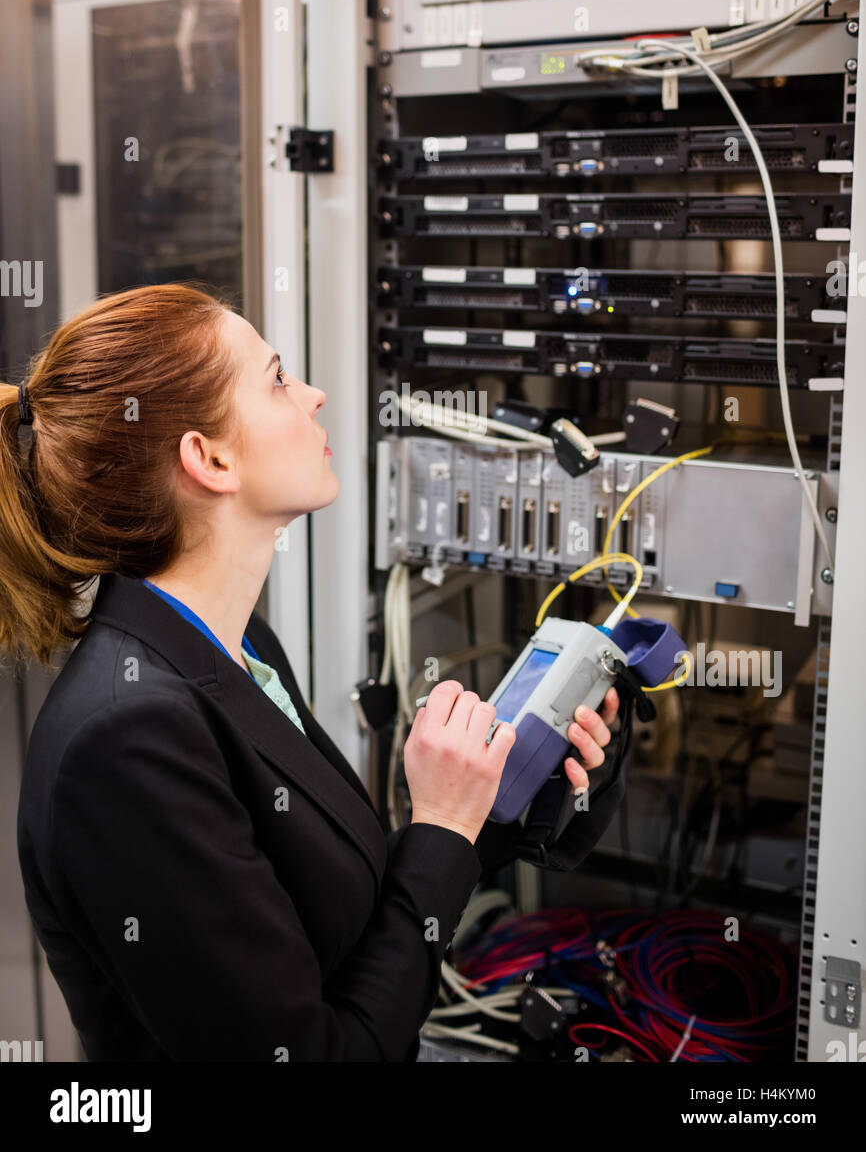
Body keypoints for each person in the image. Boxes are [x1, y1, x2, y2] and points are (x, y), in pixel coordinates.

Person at [5, 283, 620, 1062]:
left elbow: (331, 916)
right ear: (211, 459)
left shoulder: (237, 647)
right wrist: (440, 825)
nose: (315, 395)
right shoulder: (127, 739)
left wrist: (494, 799)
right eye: (277, 379)